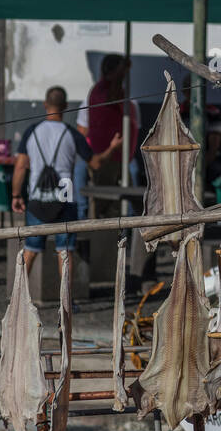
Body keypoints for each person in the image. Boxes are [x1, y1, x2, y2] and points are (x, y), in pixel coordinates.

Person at [13, 86, 120, 277]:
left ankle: (18, 300)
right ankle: (66, 304)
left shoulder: (32, 132)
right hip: (65, 199)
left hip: (37, 198)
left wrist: (15, 195)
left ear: (45, 104)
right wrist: (111, 148)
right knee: (65, 253)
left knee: (30, 250)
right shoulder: (72, 134)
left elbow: (20, 166)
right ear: (64, 106)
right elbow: (95, 163)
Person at [77, 54, 136, 219]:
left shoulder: (115, 91)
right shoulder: (102, 91)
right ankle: (100, 237)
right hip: (106, 156)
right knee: (104, 200)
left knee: (125, 198)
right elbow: (112, 95)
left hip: (119, 156)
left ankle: (121, 235)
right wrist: (122, 69)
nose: (124, 77)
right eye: (121, 73)